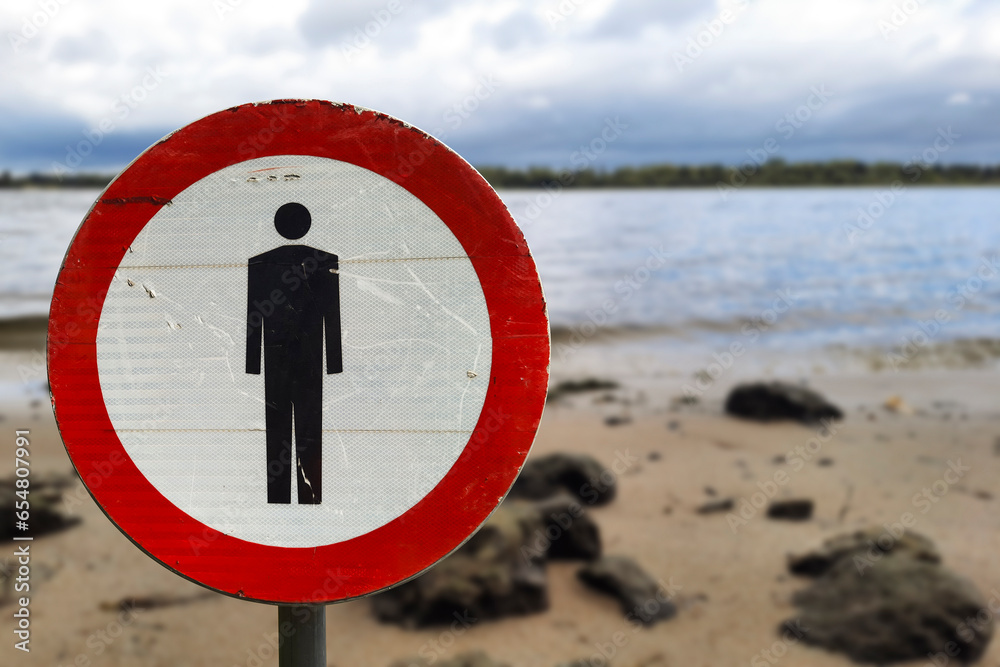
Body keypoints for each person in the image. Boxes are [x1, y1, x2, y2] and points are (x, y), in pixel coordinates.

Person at [246, 202, 342, 504]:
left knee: (277, 430)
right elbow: (332, 317)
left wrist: (253, 363)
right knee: (309, 428)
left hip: (275, 357)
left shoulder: (260, 262)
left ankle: (278, 498)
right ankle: (310, 499)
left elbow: (254, 318)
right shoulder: (325, 260)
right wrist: (334, 362)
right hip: (311, 358)